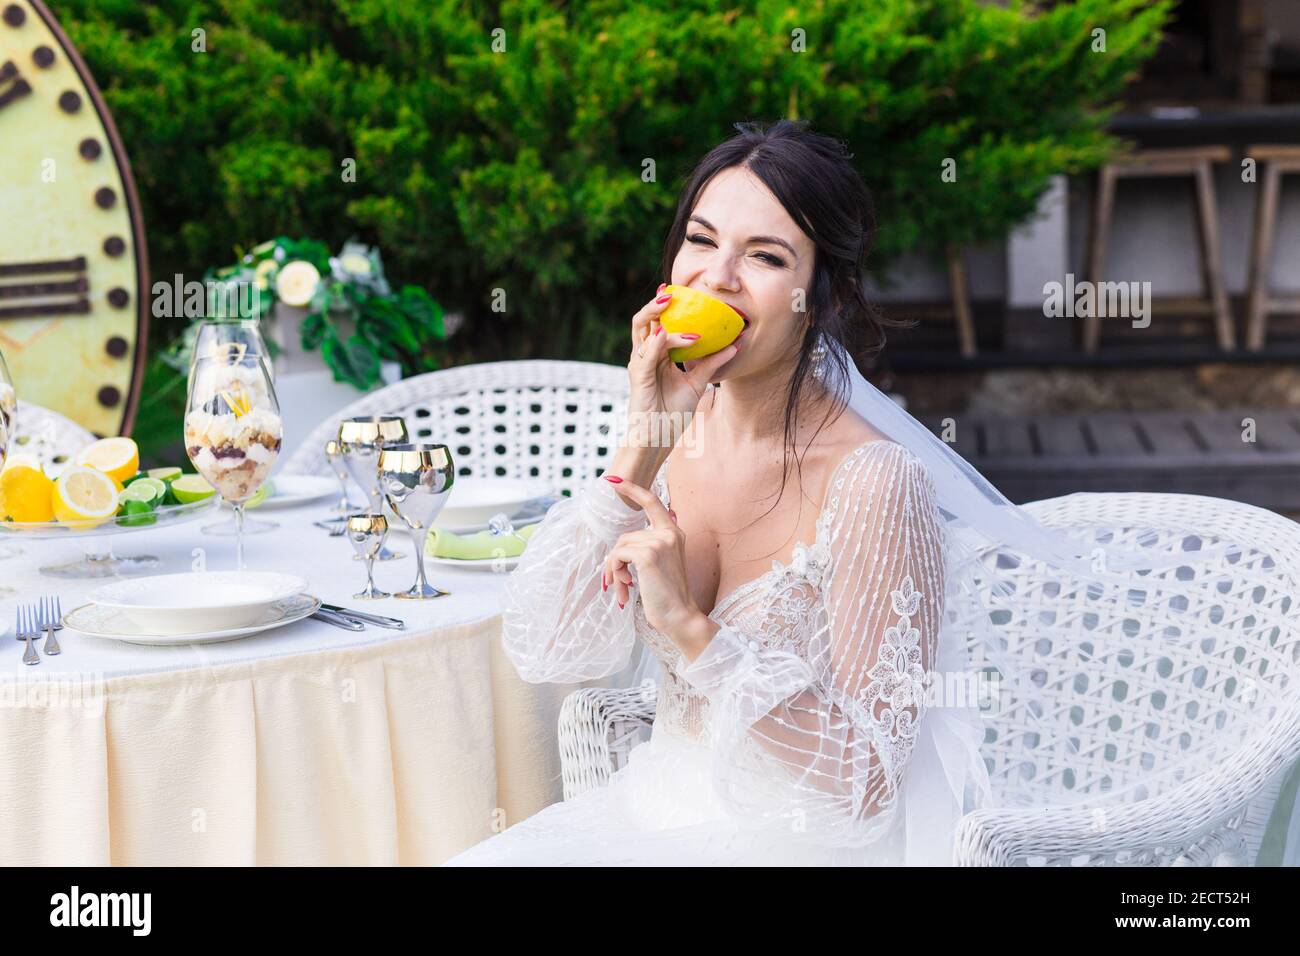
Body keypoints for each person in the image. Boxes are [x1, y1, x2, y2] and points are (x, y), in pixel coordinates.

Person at [443, 119, 1293, 867]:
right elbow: (550, 650)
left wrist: (692, 632)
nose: (718, 279)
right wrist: (641, 439)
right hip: (643, 819)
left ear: (825, 297)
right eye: (701, 241)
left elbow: (861, 788)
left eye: (767, 257)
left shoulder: (876, 481)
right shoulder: (675, 434)